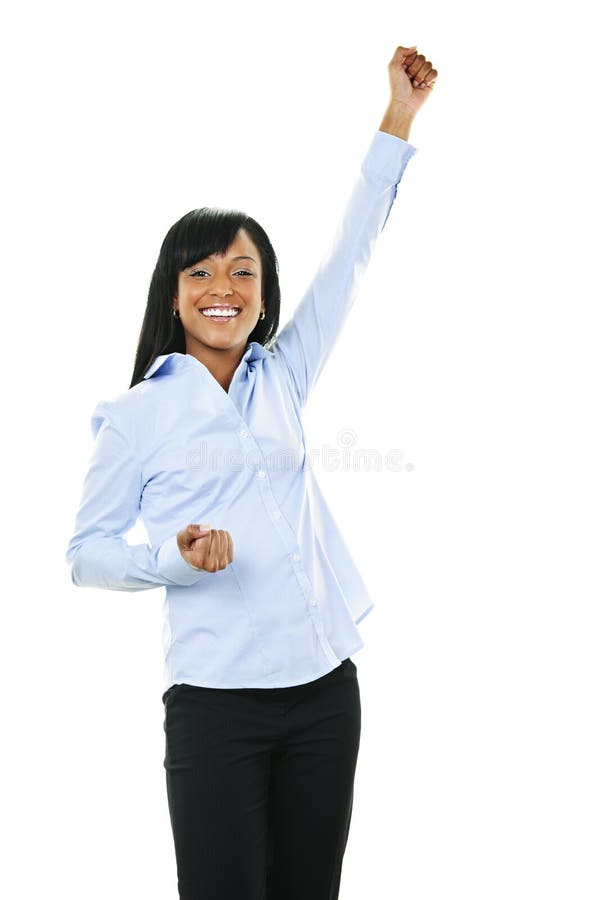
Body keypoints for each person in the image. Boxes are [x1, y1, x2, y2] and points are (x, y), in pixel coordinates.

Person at [65, 43, 437, 900]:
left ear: (263, 296)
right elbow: (85, 551)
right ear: (174, 294)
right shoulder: (135, 416)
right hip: (217, 707)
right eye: (202, 272)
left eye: (243, 271)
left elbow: (349, 259)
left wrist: (398, 118)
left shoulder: (283, 377)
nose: (222, 287)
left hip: (324, 696)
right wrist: (173, 559)